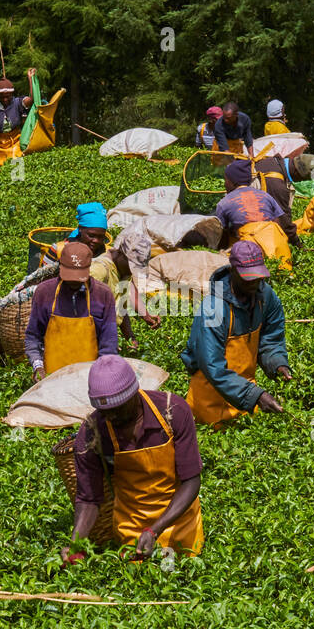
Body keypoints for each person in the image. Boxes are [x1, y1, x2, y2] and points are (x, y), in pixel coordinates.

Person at [64, 355, 203, 563]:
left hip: (178, 526)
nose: (111, 417)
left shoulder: (172, 410)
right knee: (142, 581)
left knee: (179, 572)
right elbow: (89, 499)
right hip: (132, 530)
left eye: (117, 409)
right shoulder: (93, 431)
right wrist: (77, 542)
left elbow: (191, 481)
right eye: (104, 412)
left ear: (133, 395)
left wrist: (154, 530)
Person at [181, 241, 291, 425]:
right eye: (248, 278)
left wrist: (278, 363)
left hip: (245, 401)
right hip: (209, 403)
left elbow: (271, 338)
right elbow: (212, 366)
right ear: (233, 271)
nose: (255, 283)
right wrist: (256, 395)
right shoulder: (213, 308)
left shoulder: (265, 296)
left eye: (258, 277)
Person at [25, 241, 119, 380]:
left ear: (89, 269)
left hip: (89, 378)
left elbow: (109, 343)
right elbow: (33, 336)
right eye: (69, 275)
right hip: (51, 379)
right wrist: (38, 365)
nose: (74, 281)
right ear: (60, 266)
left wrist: (101, 375)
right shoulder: (44, 292)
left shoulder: (103, 294)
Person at [213, 171, 293, 271]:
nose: (224, 183)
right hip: (276, 242)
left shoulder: (224, 202)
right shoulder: (265, 195)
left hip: (250, 249)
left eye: (226, 180)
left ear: (231, 181)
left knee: (251, 274)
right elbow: (279, 221)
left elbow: (220, 234)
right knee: (283, 272)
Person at [226, 158, 299, 248]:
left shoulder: (273, 161)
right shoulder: (277, 185)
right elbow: (283, 218)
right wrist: (296, 242)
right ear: (295, 172)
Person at [0, 71, 36, 169]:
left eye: (7, 96)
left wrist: (30, 79)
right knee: (3, 172)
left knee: (17, 173)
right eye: (2, 97)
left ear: (11, 94)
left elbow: (31, 100)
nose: (5, 99)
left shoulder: (17, 103)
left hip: (15, 142)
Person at [45, 202, 109, 264]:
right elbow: (42, 274)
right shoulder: (59, 250)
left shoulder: (109, 254)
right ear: (80, 229)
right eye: (91, 235)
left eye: (101, 236)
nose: (96, 241)